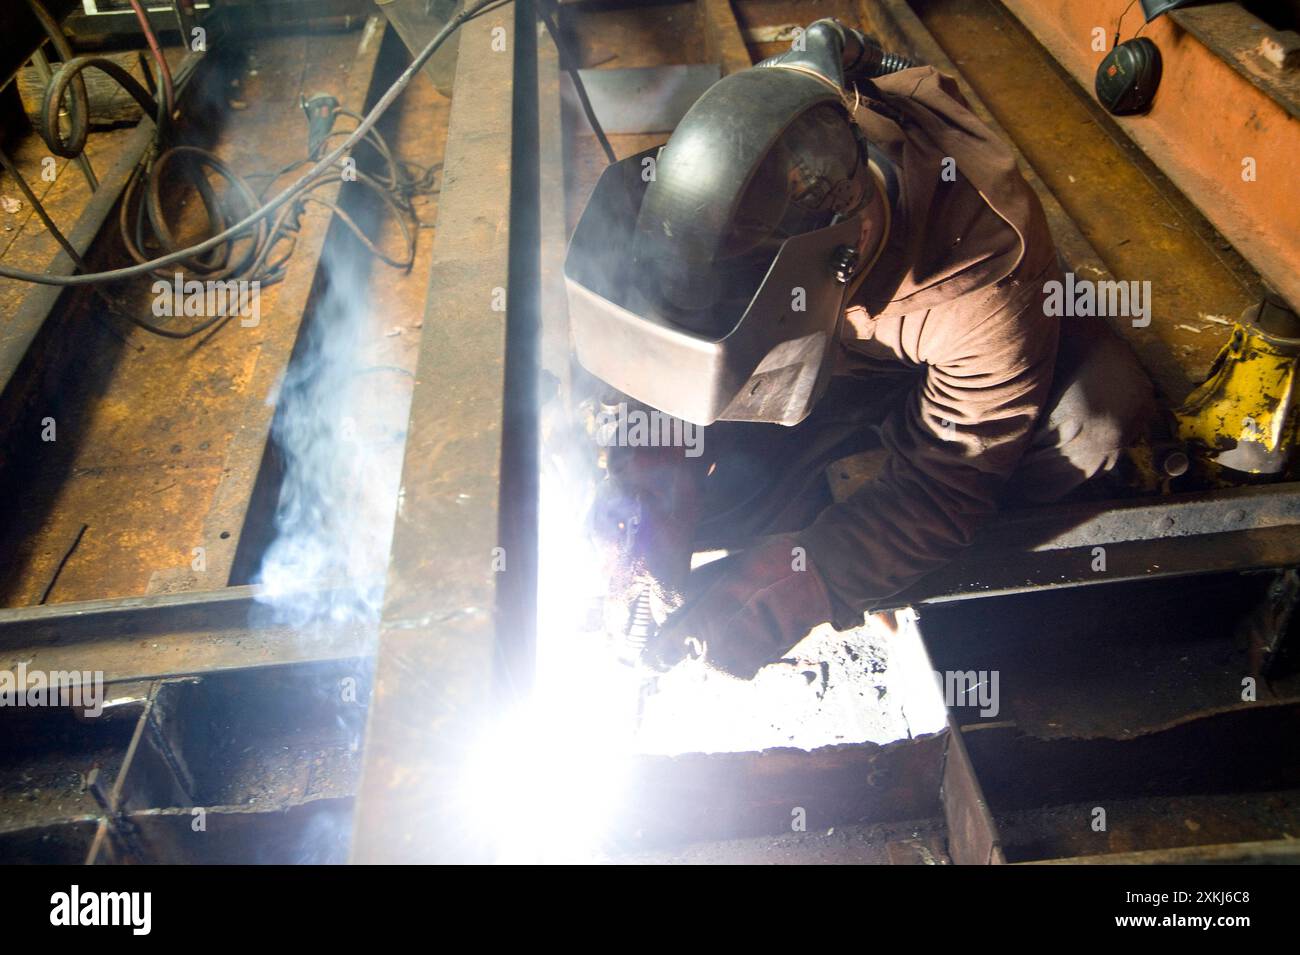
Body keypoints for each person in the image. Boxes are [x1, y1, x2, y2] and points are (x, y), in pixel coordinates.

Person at [564, 19, 1155, 679]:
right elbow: (667, 321)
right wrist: (649, 489)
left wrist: (800, 584)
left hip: (947, 357)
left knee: (1093, 423)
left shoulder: (984, 286)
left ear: (843, 255)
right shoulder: (751, 158)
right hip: (838, 346)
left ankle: (876, 503)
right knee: (717, 507)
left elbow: (942, 489)